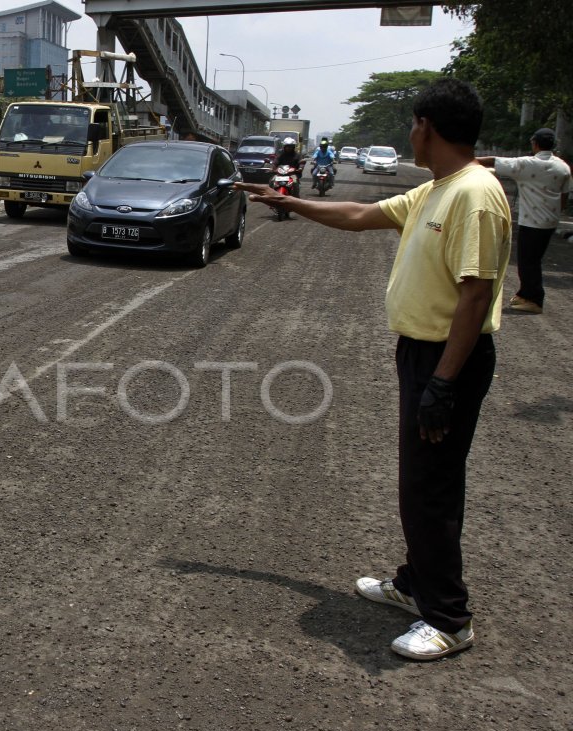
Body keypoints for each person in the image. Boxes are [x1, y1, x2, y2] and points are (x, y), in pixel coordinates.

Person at [235, 78, 511, 661]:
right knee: (421, 477)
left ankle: (449, 619)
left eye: (413, 124)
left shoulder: (475, 195)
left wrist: (443, 381)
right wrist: (287, 202)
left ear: (427, 127)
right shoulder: (438, 188)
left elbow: (475, 294)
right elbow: (361, 212)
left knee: (429, 486)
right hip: (423, 352)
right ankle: (414, 585)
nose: (410, 133)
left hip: (448, 358)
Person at [475, 127, 572, 314]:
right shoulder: (563, 167)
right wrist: (557, 212)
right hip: (550, 221)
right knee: (534, 258)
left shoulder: (528, 164)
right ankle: (524, 293)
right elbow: (564, 194)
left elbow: (496, 161)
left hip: (532, 221)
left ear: (535, 144)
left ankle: (534, 299)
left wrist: (467, 160)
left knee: (528, 261)